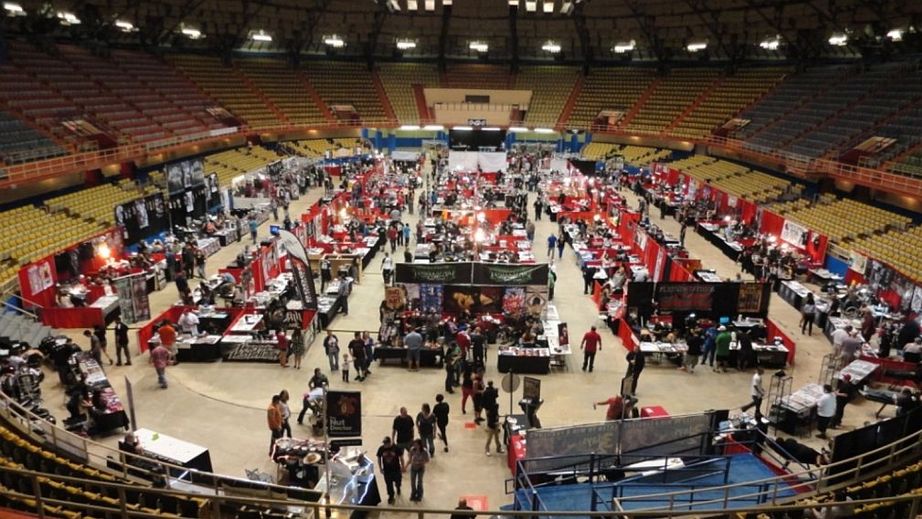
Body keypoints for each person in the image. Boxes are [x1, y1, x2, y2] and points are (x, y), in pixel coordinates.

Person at [377, 437, 404, 504]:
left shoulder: (396, 448)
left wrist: (403, 467)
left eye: (386, 443)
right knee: (389, 484)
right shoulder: (381, 449)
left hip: (396, 469)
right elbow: (379, 458)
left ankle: (398, 487)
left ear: (389, 443)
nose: (385, 445)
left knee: (398, 481)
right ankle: (391, 496)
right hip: (387, 470)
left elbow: (401, 457)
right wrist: (380, 468)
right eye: (384, 443)